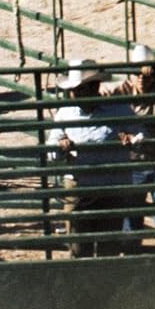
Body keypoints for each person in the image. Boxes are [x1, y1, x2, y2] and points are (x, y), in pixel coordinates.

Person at [47, 59, 143, 260]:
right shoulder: (65, 114)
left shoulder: (119, 109)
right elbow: (50, 151)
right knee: (79, 247)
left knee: (109, 247)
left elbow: (142, 136)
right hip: (80, 186)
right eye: (74, 90)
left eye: (79, 89)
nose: (74, 94)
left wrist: (132, 139)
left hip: (110, 186)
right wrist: (61, 146)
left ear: (94, 87)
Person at [103, 44, 155, 252]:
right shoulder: (119, 90)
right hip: (132, 162)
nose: (141, 78)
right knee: (131, 219)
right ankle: (132, 259)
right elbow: (93, 101)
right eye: (136, 73)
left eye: (146, 73)